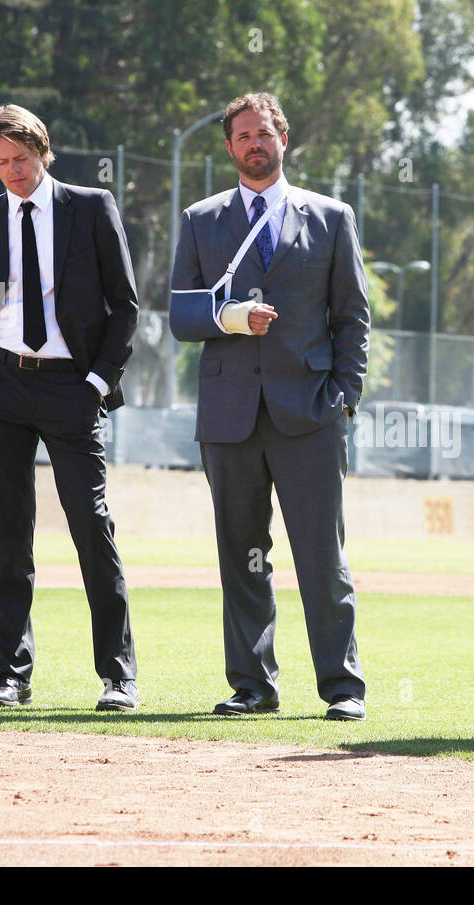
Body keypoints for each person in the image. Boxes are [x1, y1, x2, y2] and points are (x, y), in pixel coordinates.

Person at [169, 92, 370, 721]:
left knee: (322, 557)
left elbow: (353, 319)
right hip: (229, 417)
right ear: (229, 147)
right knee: (242, 554)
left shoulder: (331, 217)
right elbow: (180, 314)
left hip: (309, 412)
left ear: (283, 138)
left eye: (265, 133)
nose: (255, 144)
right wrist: (229, 316)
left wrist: (344, 398)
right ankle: (253, 686)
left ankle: (342, 687)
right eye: (243, 137)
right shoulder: (200, 219)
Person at [0, 104, 140, 712]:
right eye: (0, 162)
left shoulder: (90, 207)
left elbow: (125, 305)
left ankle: (117, 677)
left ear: (43, 151)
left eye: (21, 158)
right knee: (8, 532)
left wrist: (96, 382)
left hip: (72, 389)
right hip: (0, 386)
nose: (12, 171)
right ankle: (12, 673)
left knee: (91, 526)